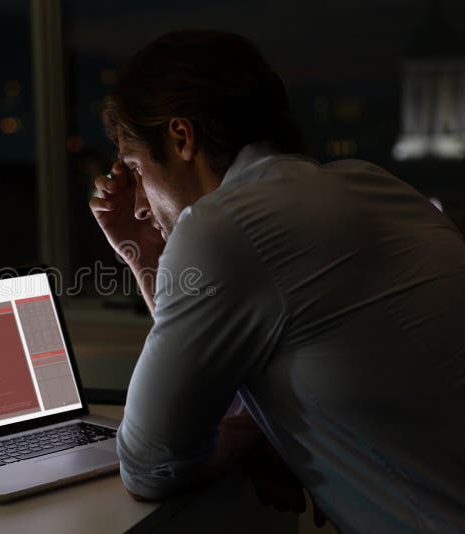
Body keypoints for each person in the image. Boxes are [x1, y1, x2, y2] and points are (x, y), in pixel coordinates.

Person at [90, 29, 465, 533]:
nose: (138, 202)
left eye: (136, 169)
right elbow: (212, 365)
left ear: (181, 137)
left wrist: (250, 435)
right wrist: (146, 257)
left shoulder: (224, 225)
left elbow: (148, 466)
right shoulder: (374, 184)